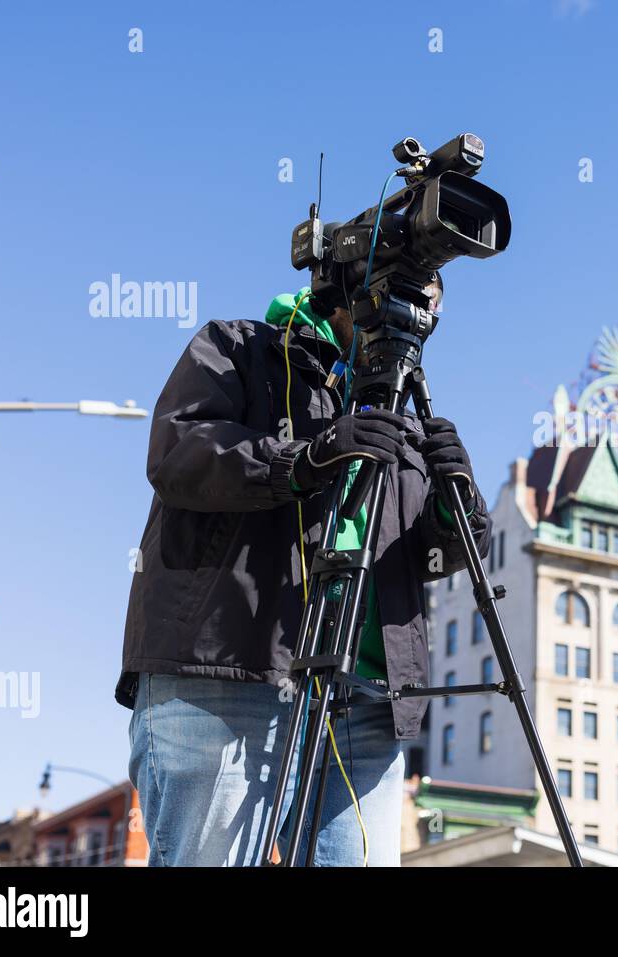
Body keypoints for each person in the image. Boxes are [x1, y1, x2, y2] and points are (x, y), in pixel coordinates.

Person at [117, 285, 488, 866]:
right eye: (411, 288)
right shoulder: (240, 348)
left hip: (366, 700)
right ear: (351, 284)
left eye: (435, 298)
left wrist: (458, 506)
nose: (424, 310)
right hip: (231, 675)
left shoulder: (404, 414)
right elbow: (179, 453)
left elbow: (430, 558)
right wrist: (303, 460)